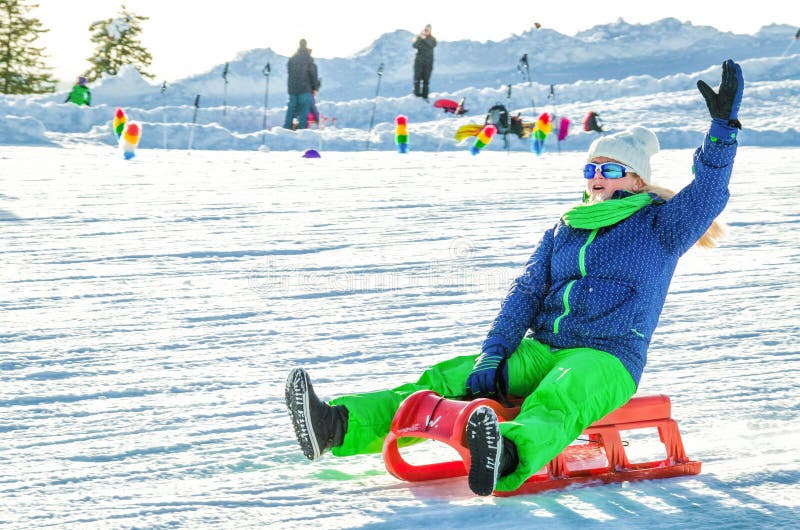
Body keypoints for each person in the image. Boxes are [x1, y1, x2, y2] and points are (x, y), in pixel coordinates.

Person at [285, 60, 743, 496]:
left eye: (609, 169)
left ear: (636, 181)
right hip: (542, 348)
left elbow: (708, 193)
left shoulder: (661, 226)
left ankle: (504, 456)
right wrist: (494, 355)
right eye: (591, 169)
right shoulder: (565, 228)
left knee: (561, 395)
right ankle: (336, 425)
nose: (596, 177)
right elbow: (525, 294)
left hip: (609, 355)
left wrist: (722, 134)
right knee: (446, 379)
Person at [283, 39, 320, 130]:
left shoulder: (292, 59)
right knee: (304, 110)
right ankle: (301, 129)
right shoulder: (308, 59)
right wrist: (315, 88)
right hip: (304, 89)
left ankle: (287, 128)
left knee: (291, 109)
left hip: (292, 89)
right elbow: (313, 75)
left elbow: (289, 72)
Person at [412, 24, 436, 100]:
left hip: (428, 63)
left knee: (426, 80)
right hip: (419, 62)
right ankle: (417, 96)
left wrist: (425, 38)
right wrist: (420, 38)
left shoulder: (433, 39)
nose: (426, 31)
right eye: (425, 30)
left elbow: (431, 45)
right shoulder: (419, 38)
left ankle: (425, 97)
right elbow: (414, 45)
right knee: (417, 79)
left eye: (428, 30)